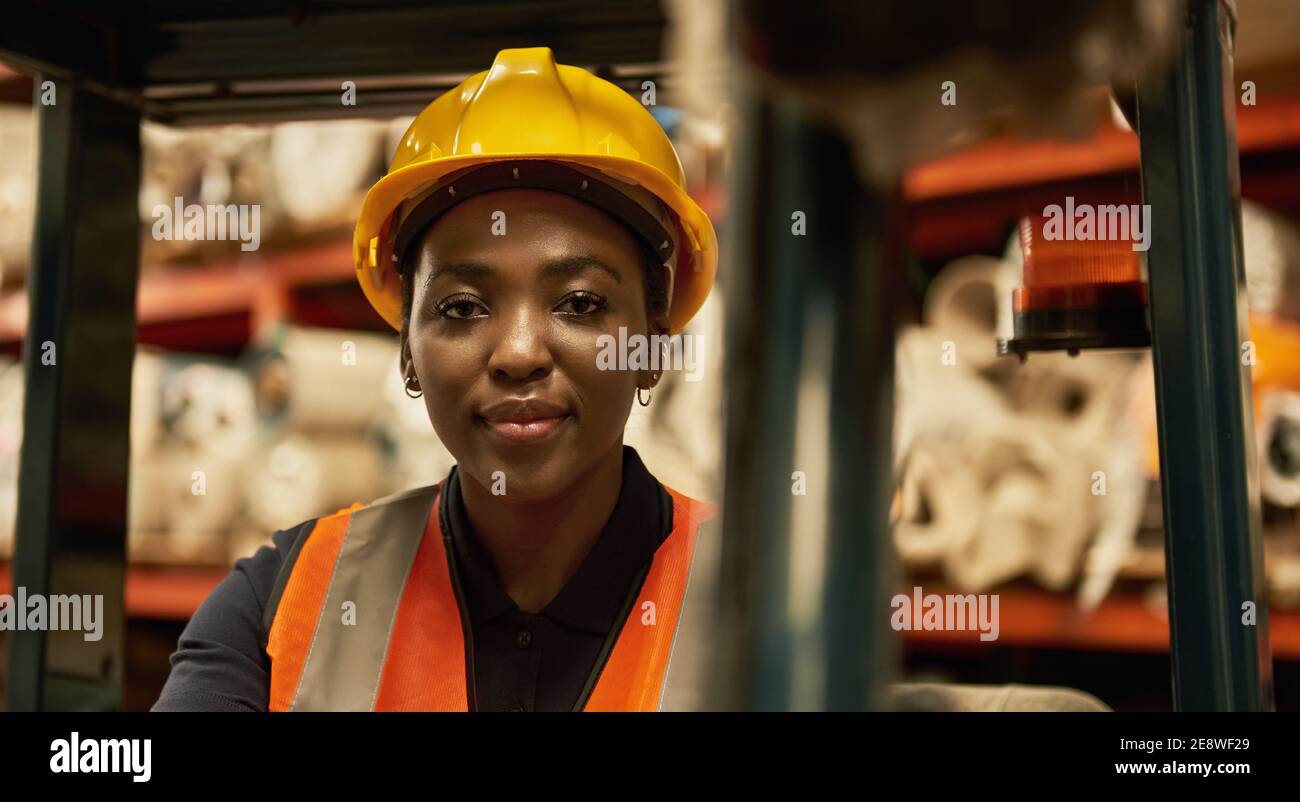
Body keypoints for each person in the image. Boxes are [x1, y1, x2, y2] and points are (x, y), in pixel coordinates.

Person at [153, 46, 720, 712]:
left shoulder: (764, 603)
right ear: (408, 357)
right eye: (462, 308)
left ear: (653, 345)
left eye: (580, 303)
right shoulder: (283, 603)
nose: (516, 353)